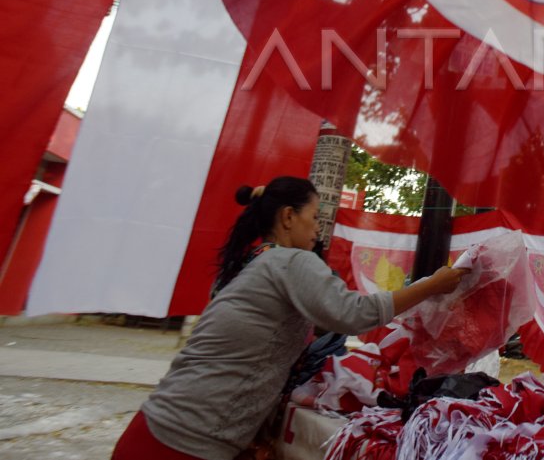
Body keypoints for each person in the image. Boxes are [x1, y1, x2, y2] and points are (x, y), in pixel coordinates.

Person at [111, 176, 466, 460]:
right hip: (184, 441)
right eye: (314, 218)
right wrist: (432, 285)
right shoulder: (290, 262)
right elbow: (354, 314)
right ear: (287, 217)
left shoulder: (249, 264)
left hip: (159, 425)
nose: (317, 231)